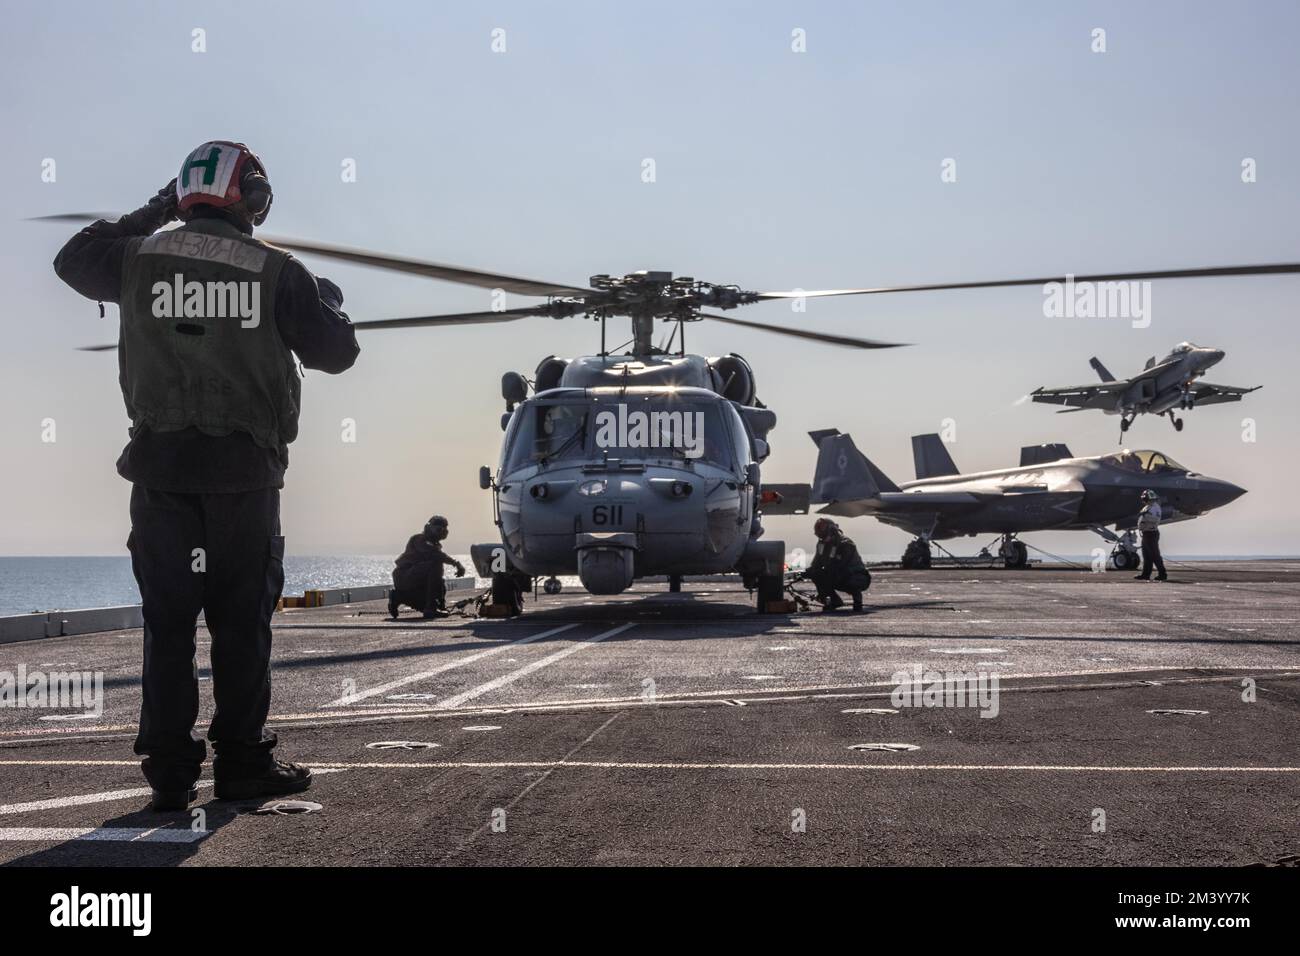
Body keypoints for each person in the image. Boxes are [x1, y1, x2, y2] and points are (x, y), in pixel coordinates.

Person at [53, 141, 360, 811]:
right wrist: (328, 301)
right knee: (241, 626)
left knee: (167, 625)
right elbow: (338, 354)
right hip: (243, 479)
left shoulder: (136, 260)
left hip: (159, 476)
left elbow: (71, 258)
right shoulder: (278, 271)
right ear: (249, 199)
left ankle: (168, 773)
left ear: (186, 193)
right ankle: (243, 763)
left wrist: (152, 210)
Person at [390, 516, 466, 618]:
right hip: (404, 577)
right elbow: (435, 555)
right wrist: (456, 563)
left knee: (439, 584)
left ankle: (397, 597)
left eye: (444, 530)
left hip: (415, 582)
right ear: (429, 528)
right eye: (439, 529)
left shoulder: (435, 545)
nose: (441, 532)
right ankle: (430, 608)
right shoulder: (419, 539)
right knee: (435, 564)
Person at [807, 517, 871, 612]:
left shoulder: (846, 544)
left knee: (841, 573)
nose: (822, 539)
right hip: (836, 575)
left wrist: (825, 570)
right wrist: (809, 572)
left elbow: (839, 565)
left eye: (824, 535)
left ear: (832, 531)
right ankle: (834, 601)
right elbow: (816, 563)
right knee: (816, 574)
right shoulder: (821, 545)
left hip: (856, 576)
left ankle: (858, 601)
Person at [1134, 489, 1168, 581]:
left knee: (1155, 555)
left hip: (1151, 533)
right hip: (1146, 533)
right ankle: (1145, 574)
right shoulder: (1147, 507)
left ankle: (1162, 574)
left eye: (1145, 499)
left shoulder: (1155, 507)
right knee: (1146, 556)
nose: (1144, 501)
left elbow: (1155, 519)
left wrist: (1145, 516)